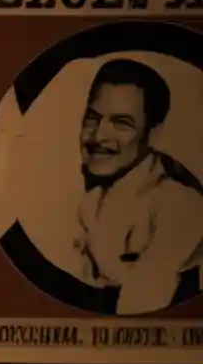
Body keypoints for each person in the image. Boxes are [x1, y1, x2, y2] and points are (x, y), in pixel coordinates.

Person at [70, 58, 203, 314]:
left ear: (153, 133)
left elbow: (142, 304)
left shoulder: (181, 205)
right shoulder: (89, 202)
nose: (98, 136)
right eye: (92, 118)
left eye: (122, 123)